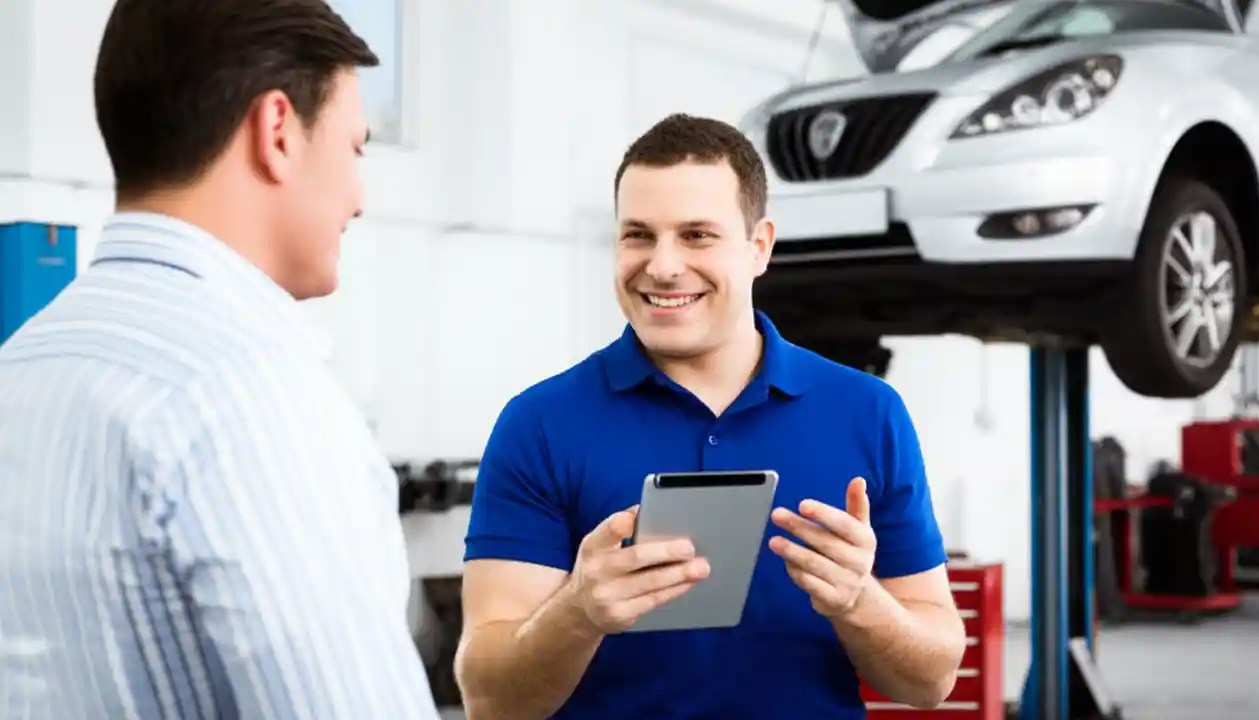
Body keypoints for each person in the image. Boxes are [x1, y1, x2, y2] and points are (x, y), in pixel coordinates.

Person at [0, 2, 438, 718]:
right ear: (277, 133)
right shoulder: (250, 399)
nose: (359, 197)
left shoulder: (20, 368)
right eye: (356, 148)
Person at [455, 113, 966, 719]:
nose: (663, 265)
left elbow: (932, 680)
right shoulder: (539, 425)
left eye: (696, 235)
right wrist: (578, 612)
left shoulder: (867, 413)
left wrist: (860, 601)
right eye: (638, 235)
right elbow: (489, 701)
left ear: (759, 247)